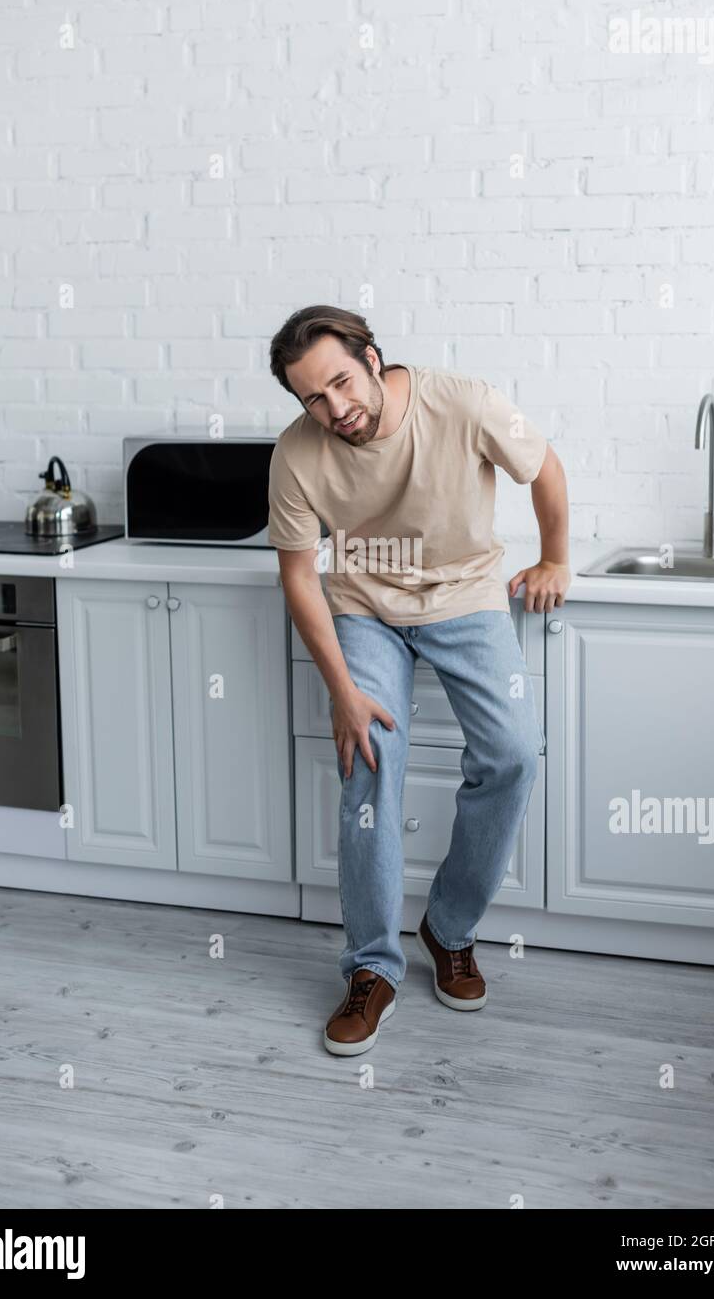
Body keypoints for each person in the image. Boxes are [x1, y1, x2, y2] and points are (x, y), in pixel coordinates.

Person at [267, 306, 570, 1055]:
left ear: (372, 358)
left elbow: (545, 466)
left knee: (512, 754)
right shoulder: (296, 456)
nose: (336, 409)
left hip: (466, 598)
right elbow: (300, 576)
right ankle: (371, 967)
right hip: (365, 610)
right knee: (368, 762)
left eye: (341, 382)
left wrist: (555, 557)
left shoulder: (459, 402)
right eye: (313, 398)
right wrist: (342, 691)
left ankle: (449, 928)